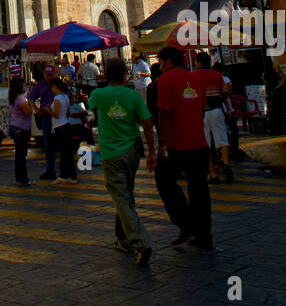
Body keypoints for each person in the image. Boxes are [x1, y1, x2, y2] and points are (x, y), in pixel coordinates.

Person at [89, 58, 156, 266]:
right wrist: (151, 152)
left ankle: (141, 242)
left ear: (105, 75)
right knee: (126, 194)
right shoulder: (133, 95)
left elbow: (89, 109)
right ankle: (123, 239)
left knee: (121, 197)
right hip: (132, 154)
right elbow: (147, 122)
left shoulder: (98, 94)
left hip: (111, 155)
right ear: (126, 75)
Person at [154, 46, 213, 250]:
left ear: (169, 61)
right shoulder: (197, 79)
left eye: (161, 62)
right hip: (199, 142)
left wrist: (162, 142)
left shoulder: (165, 80)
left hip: (177, 144)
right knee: (199, 189)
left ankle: (185, 223)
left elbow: (164, 113)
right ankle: (204, 234)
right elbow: (201, 109)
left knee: (163, 179)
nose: (160, 66)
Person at [194, 51, 233, 184]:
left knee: (206, 144)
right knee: (222, 140)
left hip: (202, 113)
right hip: (217, 110)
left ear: (198, 63)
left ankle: (213, 174)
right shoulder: (217, 75)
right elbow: (225, 94)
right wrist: (228, 109)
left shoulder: (193, 76)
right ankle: (226, 164)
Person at [29, 65, 57, 180]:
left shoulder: (59, 84)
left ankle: (67, 172)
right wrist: (37, 110)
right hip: (46, 118)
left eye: (51, 75)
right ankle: (51, 170)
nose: (49, 78)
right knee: (48, 145)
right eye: (47, 75)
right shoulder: (39, 85)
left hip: (58, 118)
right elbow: (30, 99)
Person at [48, 76, 77, 182]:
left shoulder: (57, 98)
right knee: (68, 153)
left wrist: (48, 111)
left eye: (52, 88)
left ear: (55, 87)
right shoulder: (65, 97)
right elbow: (68, 113)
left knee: (64, 153)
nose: (51, 90)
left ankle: (64, 175)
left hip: (59, 127)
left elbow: (56, 114)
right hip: (66, 124)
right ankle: (71, 175)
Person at [8, 77, 34, 186]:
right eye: (24, 85)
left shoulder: (11, 98)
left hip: (15, 126)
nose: (25, 87)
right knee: (22, 155)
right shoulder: (21, 99)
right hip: (22, 128)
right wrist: (31, 105)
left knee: (19, 154)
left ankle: (19, 177)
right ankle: (23, 178)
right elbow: (28, 112)